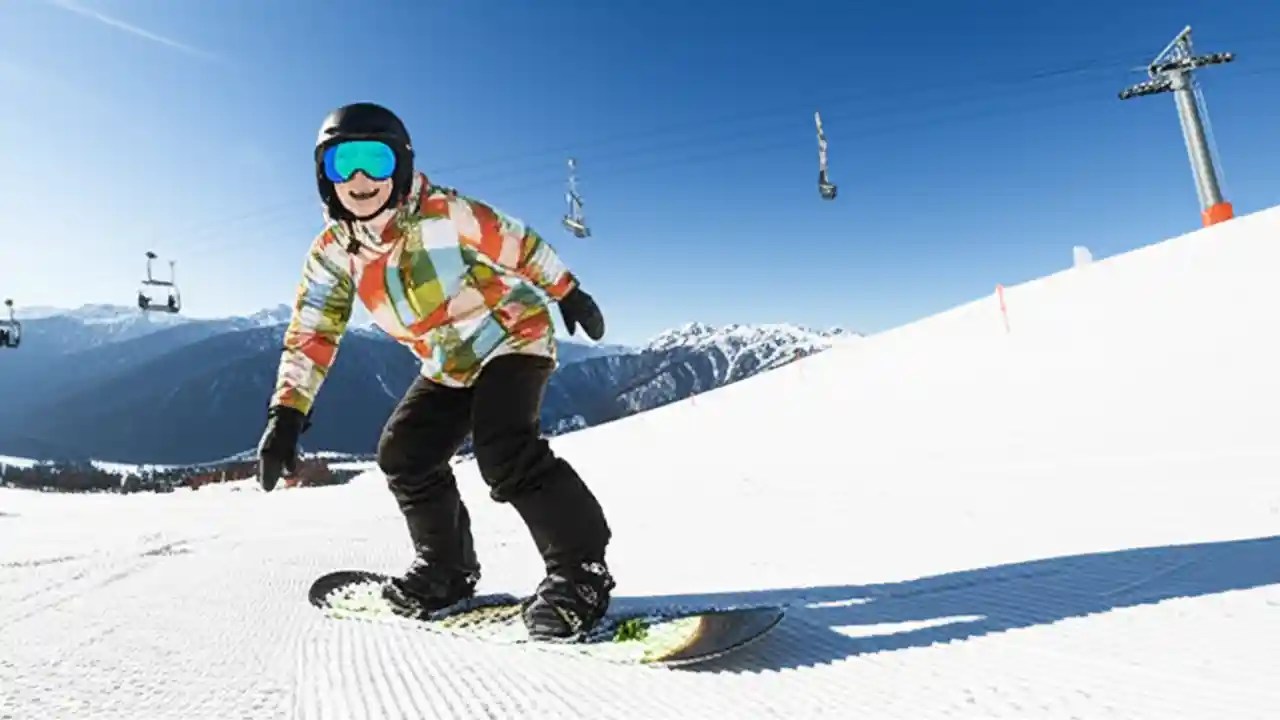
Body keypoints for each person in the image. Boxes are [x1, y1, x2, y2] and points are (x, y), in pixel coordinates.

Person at [255, 102, 614, 640]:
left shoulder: (445, 214)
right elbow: (314, 330)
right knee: (404, 455)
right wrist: (287, 411)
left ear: (400, 165)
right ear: (322, 175)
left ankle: (580, 572)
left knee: (504, 450)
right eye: (341, 163)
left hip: (511, 335)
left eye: (374, 161)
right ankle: (448, 570)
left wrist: (568, 291)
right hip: (448, 363)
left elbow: (519, 244)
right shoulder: (333, 252)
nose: (359, 179)